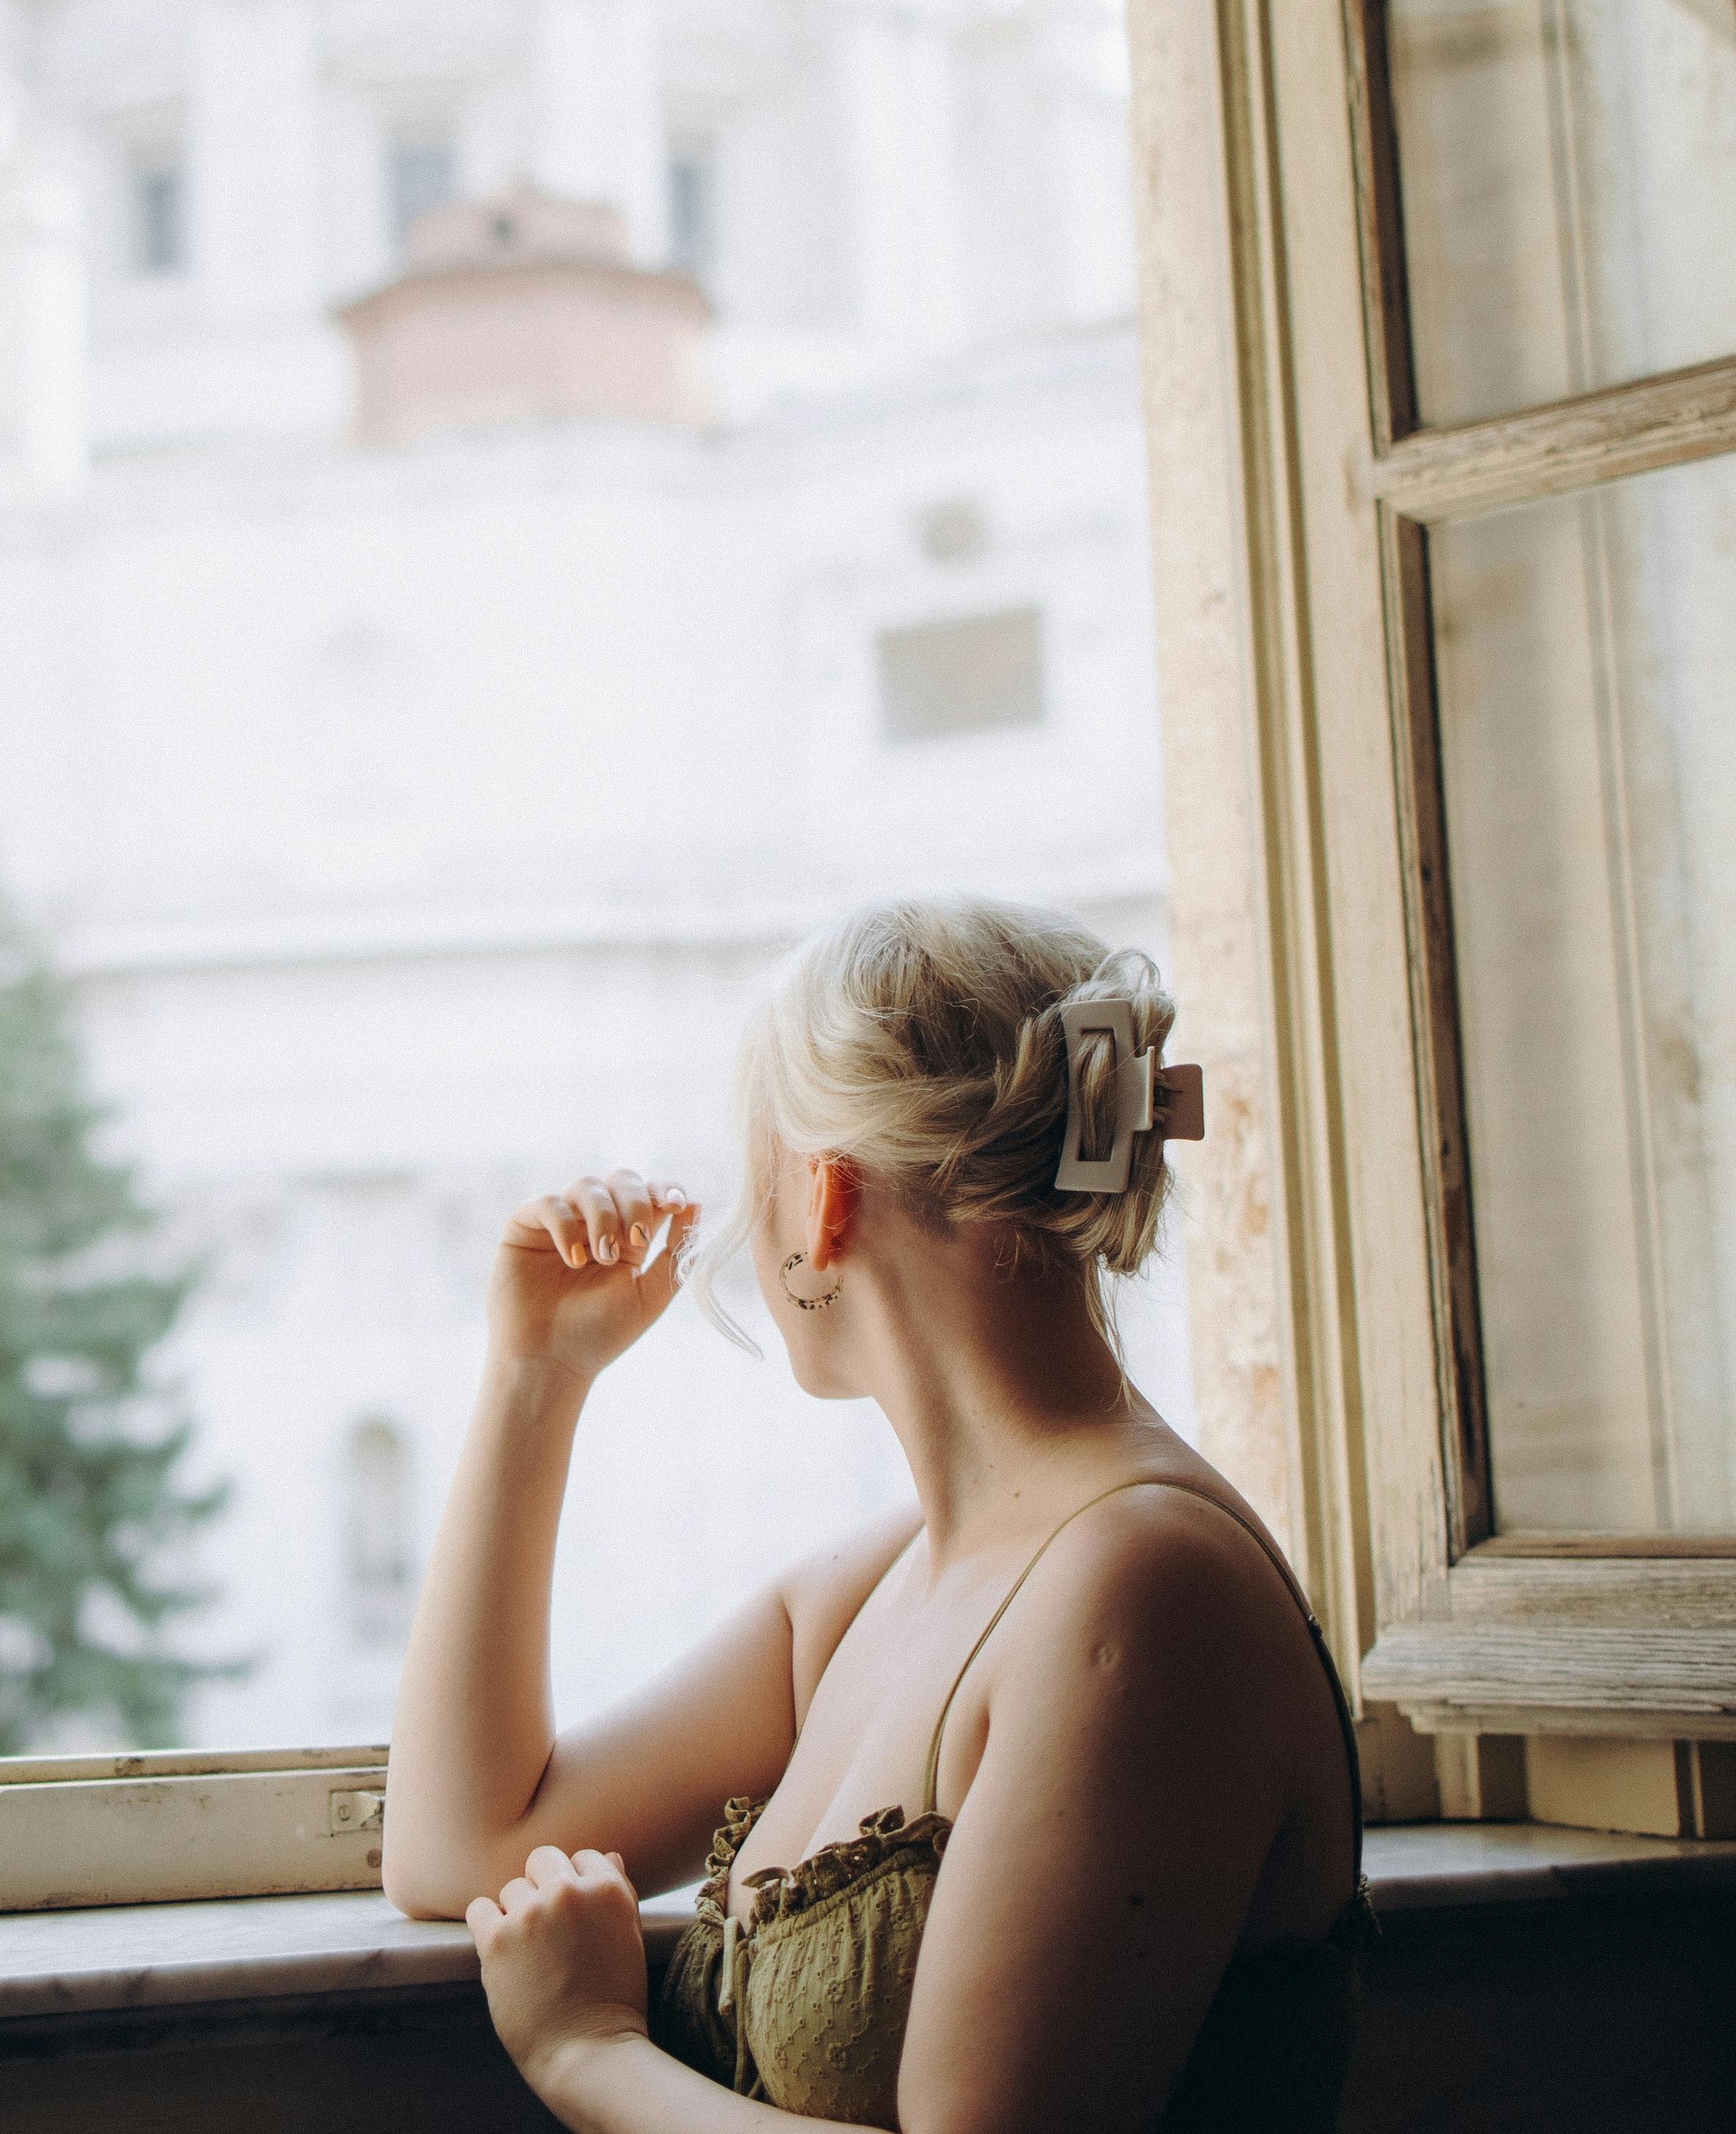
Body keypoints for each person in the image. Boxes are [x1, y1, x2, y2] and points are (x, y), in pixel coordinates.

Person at [381, 895, 1365, 2133]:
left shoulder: (1145, 1592)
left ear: (822, 1198)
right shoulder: (872, 1592)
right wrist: (537, 1378)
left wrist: (585, 2051)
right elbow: (460, 1849)